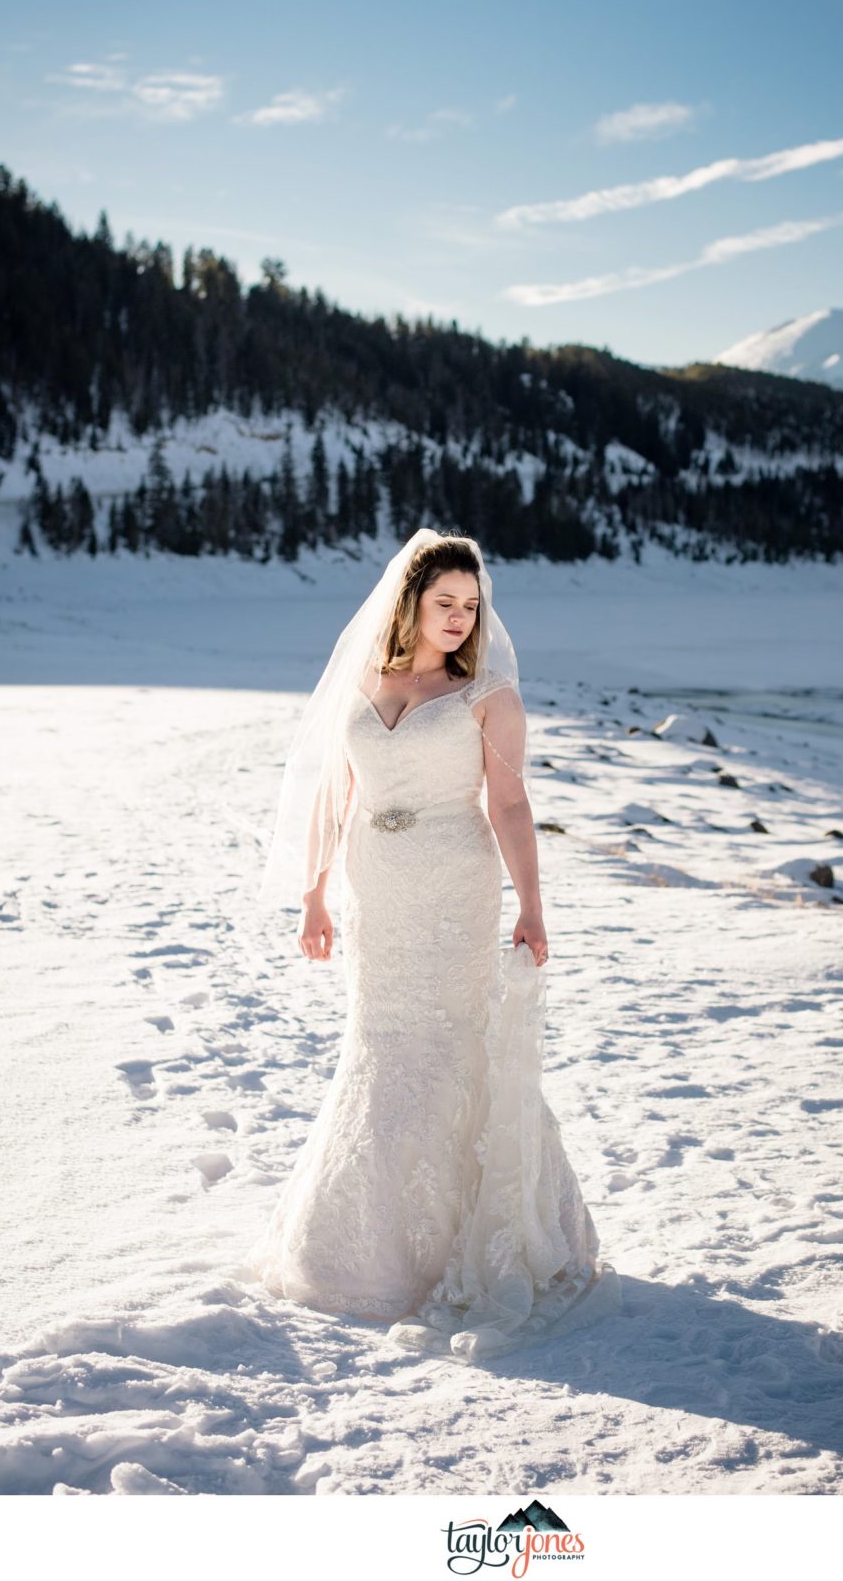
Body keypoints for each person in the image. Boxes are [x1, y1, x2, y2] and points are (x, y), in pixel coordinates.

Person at [244, 527, 620, 1361]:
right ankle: (363, 1241)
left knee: (454, 1039)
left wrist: (532, 904)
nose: (458, 617)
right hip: (373, 882)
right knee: (378, 1038)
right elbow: (329, 795)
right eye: (444, 602)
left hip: (454, 883)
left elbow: (511, 806)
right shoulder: (363, 680)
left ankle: (489, 1234)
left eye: (471, 605)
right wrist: (313, 891)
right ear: (409, 601)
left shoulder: (489, 695)